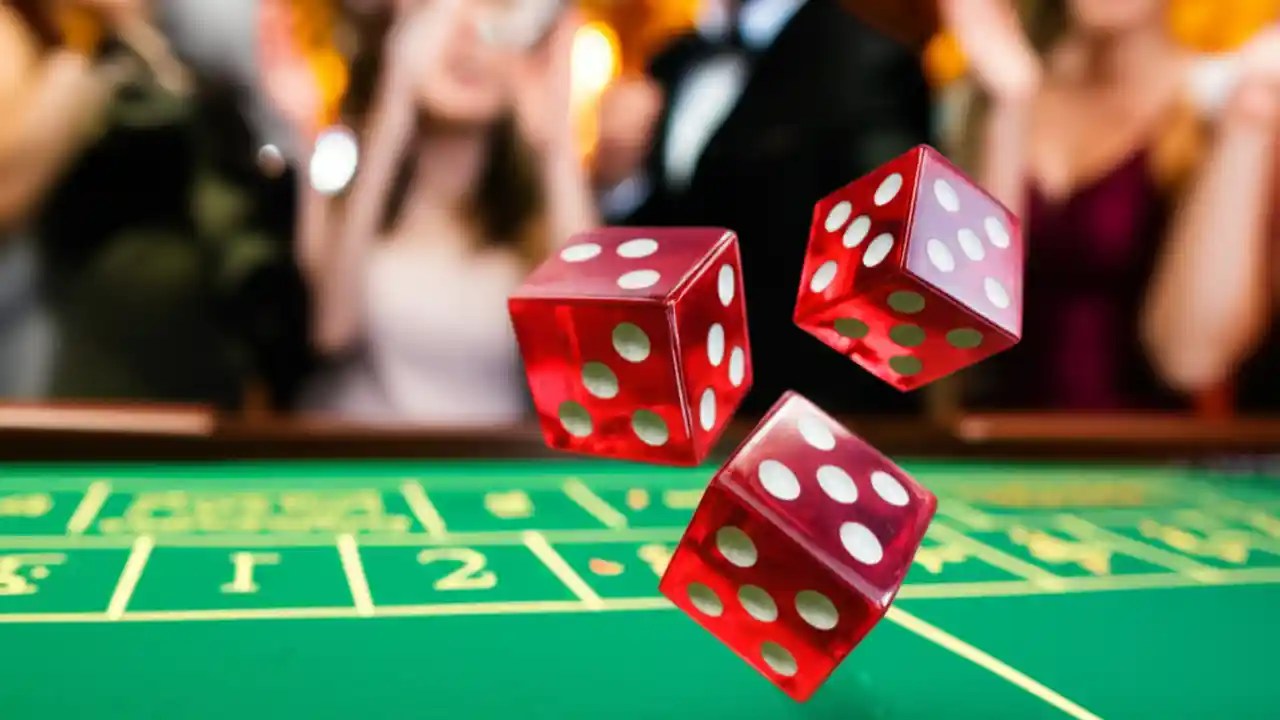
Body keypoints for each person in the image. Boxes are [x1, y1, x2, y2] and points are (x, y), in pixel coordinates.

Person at [595, 0, 934, 416]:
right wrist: (622, 184)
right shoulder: (671, 61)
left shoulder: (866, 58)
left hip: (814, 418)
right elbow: (670, 234)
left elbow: (892, 277)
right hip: (684, 409)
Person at [946, 0, 1280, 411]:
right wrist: (1008, 104)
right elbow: (962, 328)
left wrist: (1246, 124)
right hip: (987, 438)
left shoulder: (1215, 103)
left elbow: (1191, 361)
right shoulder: (991, 80)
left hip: (1147, 445)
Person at [277, 0, 597, 426]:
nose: (469, 46)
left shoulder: (534, 221)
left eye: (493, 31)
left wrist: (557, 148)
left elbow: (593, 346)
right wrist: (391, 114)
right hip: (361, 452)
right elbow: (332, 331)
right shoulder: (336, 191)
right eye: (443, 21)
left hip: (485, 459)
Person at [0, 0, 297, 408]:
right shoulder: (59, 60)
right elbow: (7, 195)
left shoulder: (194, 48)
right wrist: (84, 76)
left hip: (204, 352)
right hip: (95, 353)